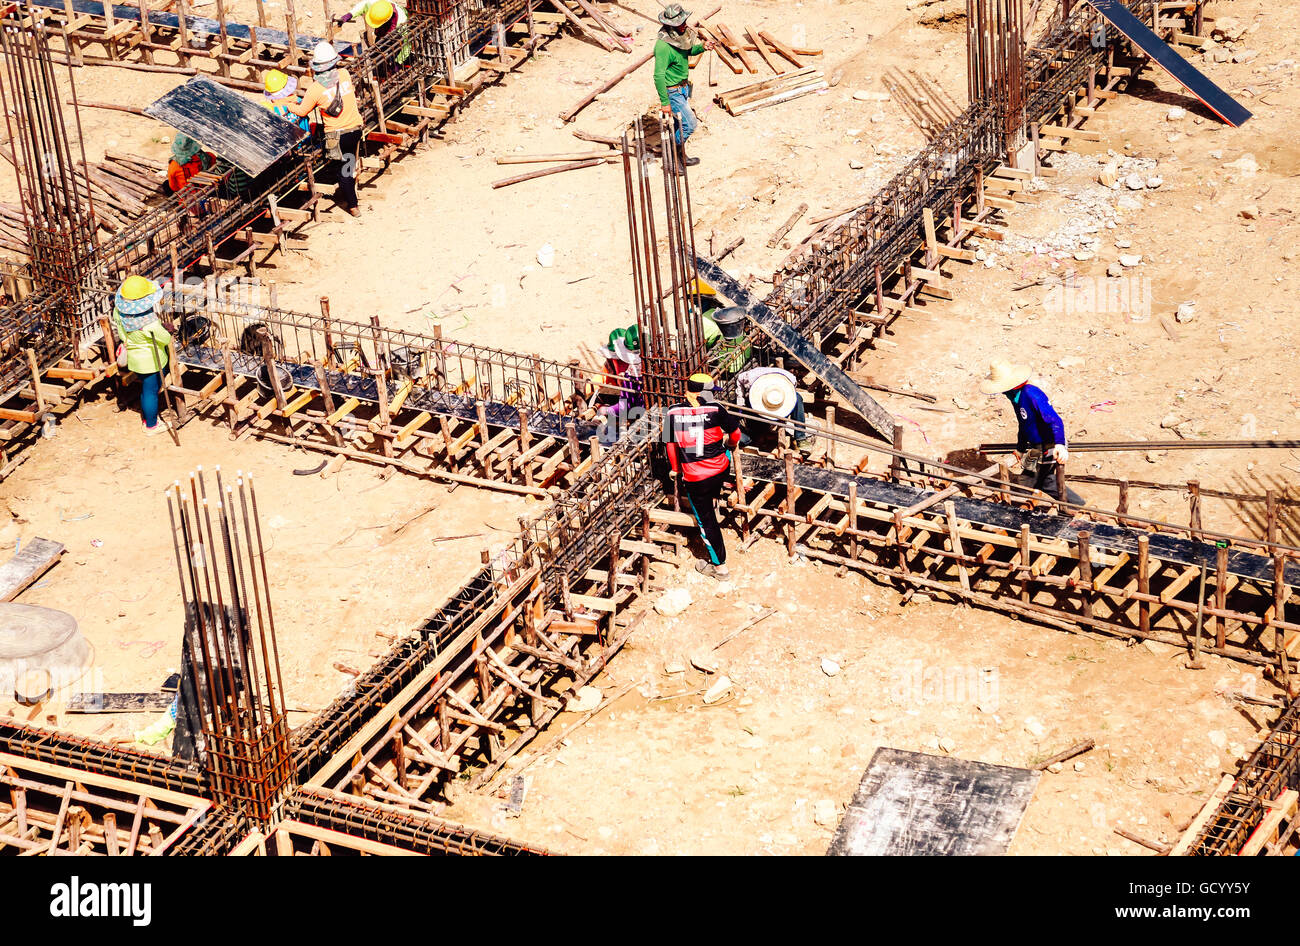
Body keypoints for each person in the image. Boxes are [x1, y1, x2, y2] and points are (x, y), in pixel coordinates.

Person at [665, 373, 741, 580]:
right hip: (720, 469)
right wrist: (730, 445)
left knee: (706, 520)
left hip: (695, 478)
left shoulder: (671, 412)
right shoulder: (716, 410)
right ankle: (721, 488)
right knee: (723, 453)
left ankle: (720, 567)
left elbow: (670, 445)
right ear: (703, 393)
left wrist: (675, 469)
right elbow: (736, 434)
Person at [979, 360, 1083, 504]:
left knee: (1026, 482)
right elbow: (1024, 425)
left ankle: (1017, 510)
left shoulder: (1031, 394)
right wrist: (1020, 449)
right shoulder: (1016, 398)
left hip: (1049, 444)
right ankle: (1077, 505)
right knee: (1043, 480)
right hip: (1036, 446)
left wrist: (1060, 445)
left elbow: (1055, 420)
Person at [285, 42, 364, 216]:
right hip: (355, 129)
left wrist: (290, 106)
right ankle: (351, 184)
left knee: (343, 172)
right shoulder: (344, 74)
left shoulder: (315, 89)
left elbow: (302, 110)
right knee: (349, 161)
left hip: (337, 136)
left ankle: (353, 205)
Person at [653, 4, 715, 171]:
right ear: (669, 25)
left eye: (684, 21)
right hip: (672, 91)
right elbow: (658, 75)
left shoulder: (679, 36)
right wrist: (665, 102)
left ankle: (681, 156)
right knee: (689, 125)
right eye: (680, 23)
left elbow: (687, 52)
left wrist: (702, 47)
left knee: (678, 125)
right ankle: (672, 157)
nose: (684, 25)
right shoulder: (663, 46)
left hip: (683, 87)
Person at [112, 275, 173, 436]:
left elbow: (122, 334)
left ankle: (147, 416)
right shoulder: (150, 322)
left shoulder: (119, 313)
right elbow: (165, 339)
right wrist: (166, 329)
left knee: (147, 388)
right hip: (153, 361)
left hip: (135, 358)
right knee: (151, 391)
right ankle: (151, 425)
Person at [736, 364, 810, 448]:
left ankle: (800, 437)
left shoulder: (791, 379)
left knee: (797, 398)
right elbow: (739, 379)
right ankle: (759, 433)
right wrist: (740, 404)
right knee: (753, 412)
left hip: (778, 386)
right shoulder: (749, 378)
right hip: (758, 388)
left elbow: (792, 392)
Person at [595, 326, 644, 439]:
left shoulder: (630, 376)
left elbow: (625, 405)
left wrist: (607, 410)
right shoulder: (660, 366)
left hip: (642, 417)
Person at [336, 0, 411, 66]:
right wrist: (348, 16)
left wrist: (399, 62)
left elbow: (406, 44)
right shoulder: (375, 4)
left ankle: (395, 62)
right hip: (385, 26)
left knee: (395, 46)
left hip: (396, 32)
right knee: (378, 48)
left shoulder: (402, 21)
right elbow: (362, 6)